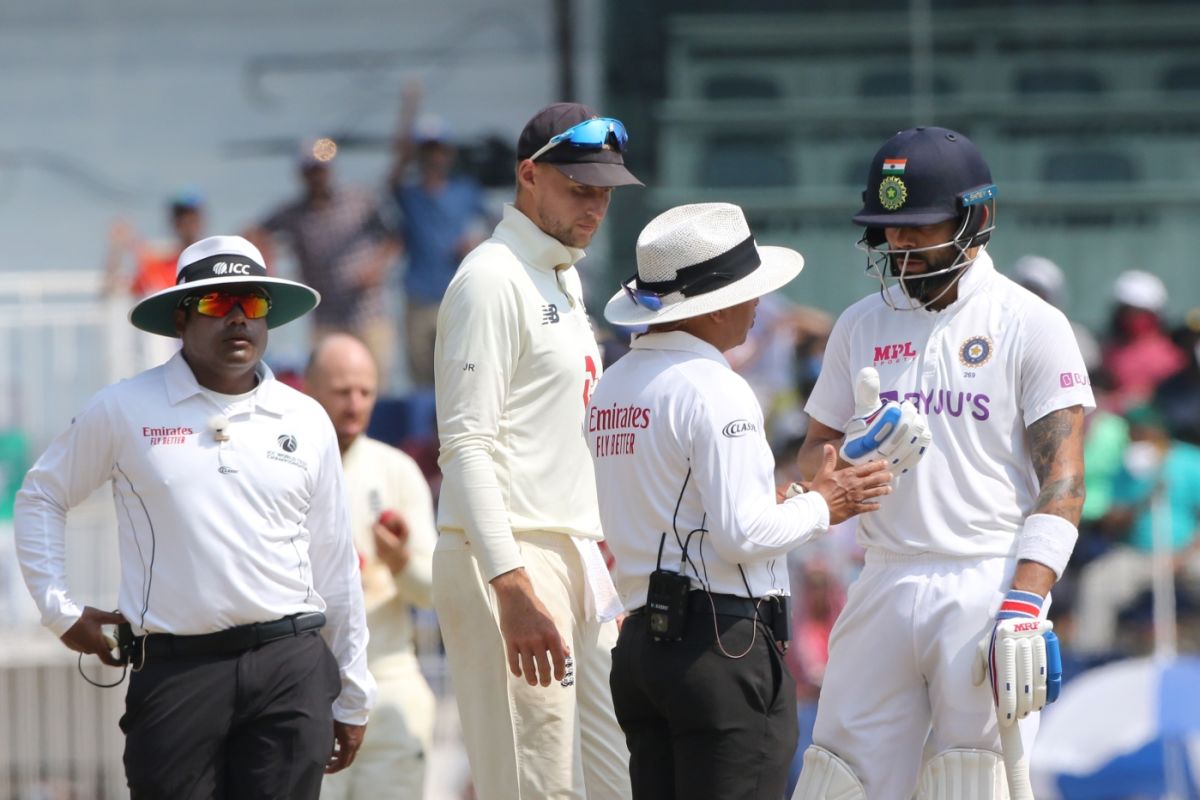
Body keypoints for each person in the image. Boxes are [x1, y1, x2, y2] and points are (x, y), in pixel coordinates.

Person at [792, 127, 1095, 800]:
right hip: (885, 575)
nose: (898, 243)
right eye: (887, 228)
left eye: (916, 226)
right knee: (835, 781)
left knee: (972, 782)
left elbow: (1065, 480)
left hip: (985, 578)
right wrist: (851, 456)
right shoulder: (860, 324)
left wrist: (1026, 598)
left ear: (974, 218)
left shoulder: (1030, 322)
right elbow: (816, 448)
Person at [13, 235, 374, 799]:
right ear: (181, 317)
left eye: (251, 304)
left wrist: (353, 691)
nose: (237, 320)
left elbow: (336, 566)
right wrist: (58, 610)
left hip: (291, 666)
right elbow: (41, 497)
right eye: (216, 303)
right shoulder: (123, 408)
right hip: (177, 672)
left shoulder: (305, 418)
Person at [586, 202, 897, 799]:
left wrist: (787, 506)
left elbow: (690, 511)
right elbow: (742, 535)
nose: (760, 305)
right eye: (750, 291)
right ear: (715, 303)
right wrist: (823, 504)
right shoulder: (716, 388)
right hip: (722, 645)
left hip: (641, 650)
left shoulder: (613, 386)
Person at [433, 102, 642, 800]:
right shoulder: (491, 277)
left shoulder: (561, 272)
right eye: (580, 187)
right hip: (512, 557)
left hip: (571, 552)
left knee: (614, 783)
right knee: (536, 788)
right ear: (529, 175)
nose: (596, 205)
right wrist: (511, 584)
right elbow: (465, 444)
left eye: (605, 190)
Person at [306, 332, 438, 800]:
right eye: (342, 391)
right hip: (308, 687)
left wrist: (400, 563)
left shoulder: (396, 469)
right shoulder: (287, 467)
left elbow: (432, 593)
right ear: (309, 389)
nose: (355, 403)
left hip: (390, 677)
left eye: (366, 391)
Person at [247, 138, 402, 391]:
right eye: (311, 170)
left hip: (368, 313)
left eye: (321, 169)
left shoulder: (360, 201)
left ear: (331, 170)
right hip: (325, 316)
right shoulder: (293, 213)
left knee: (376, 387)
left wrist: (377, 267)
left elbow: (393, 236)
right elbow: (253, 232)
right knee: (327, 386)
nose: (316, 176)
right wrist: (266, 260)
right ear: (301, 174)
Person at [1072, 403, 1200, 656]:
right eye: (1132, 434)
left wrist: (1182, 556)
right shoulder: (1126, 469)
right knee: (1096, 582)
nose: (1135, 440)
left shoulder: (1190, 462)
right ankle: (1090, 659)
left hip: (1186, 554)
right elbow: (1112, 524)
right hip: (1138, 555)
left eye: (1140, 433)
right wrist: (1141, 499)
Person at [388, 81, 492, 389]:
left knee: (460, 373)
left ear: (448, 153)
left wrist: (475, 243)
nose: (434, 156)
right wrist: (410, 108)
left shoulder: (466, 190)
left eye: (439, 148)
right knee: (421, 377)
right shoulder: (409, 194)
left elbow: (492, 226)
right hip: (419, 296)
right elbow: (394, 170)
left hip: (457, 294)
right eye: (427, 149)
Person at [1100, 269, 1185, 412]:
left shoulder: (1171, 354)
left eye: (1138, 312)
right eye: (1126, 311)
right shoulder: (1109, 351)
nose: (1131, 318)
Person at [102, 189, 207, 298]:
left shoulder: (212, 262)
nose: (188, 223)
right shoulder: (155, 266)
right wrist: (116, 250)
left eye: (192, 217)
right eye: (182, 217)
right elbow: (113, 289)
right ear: (174, 223)